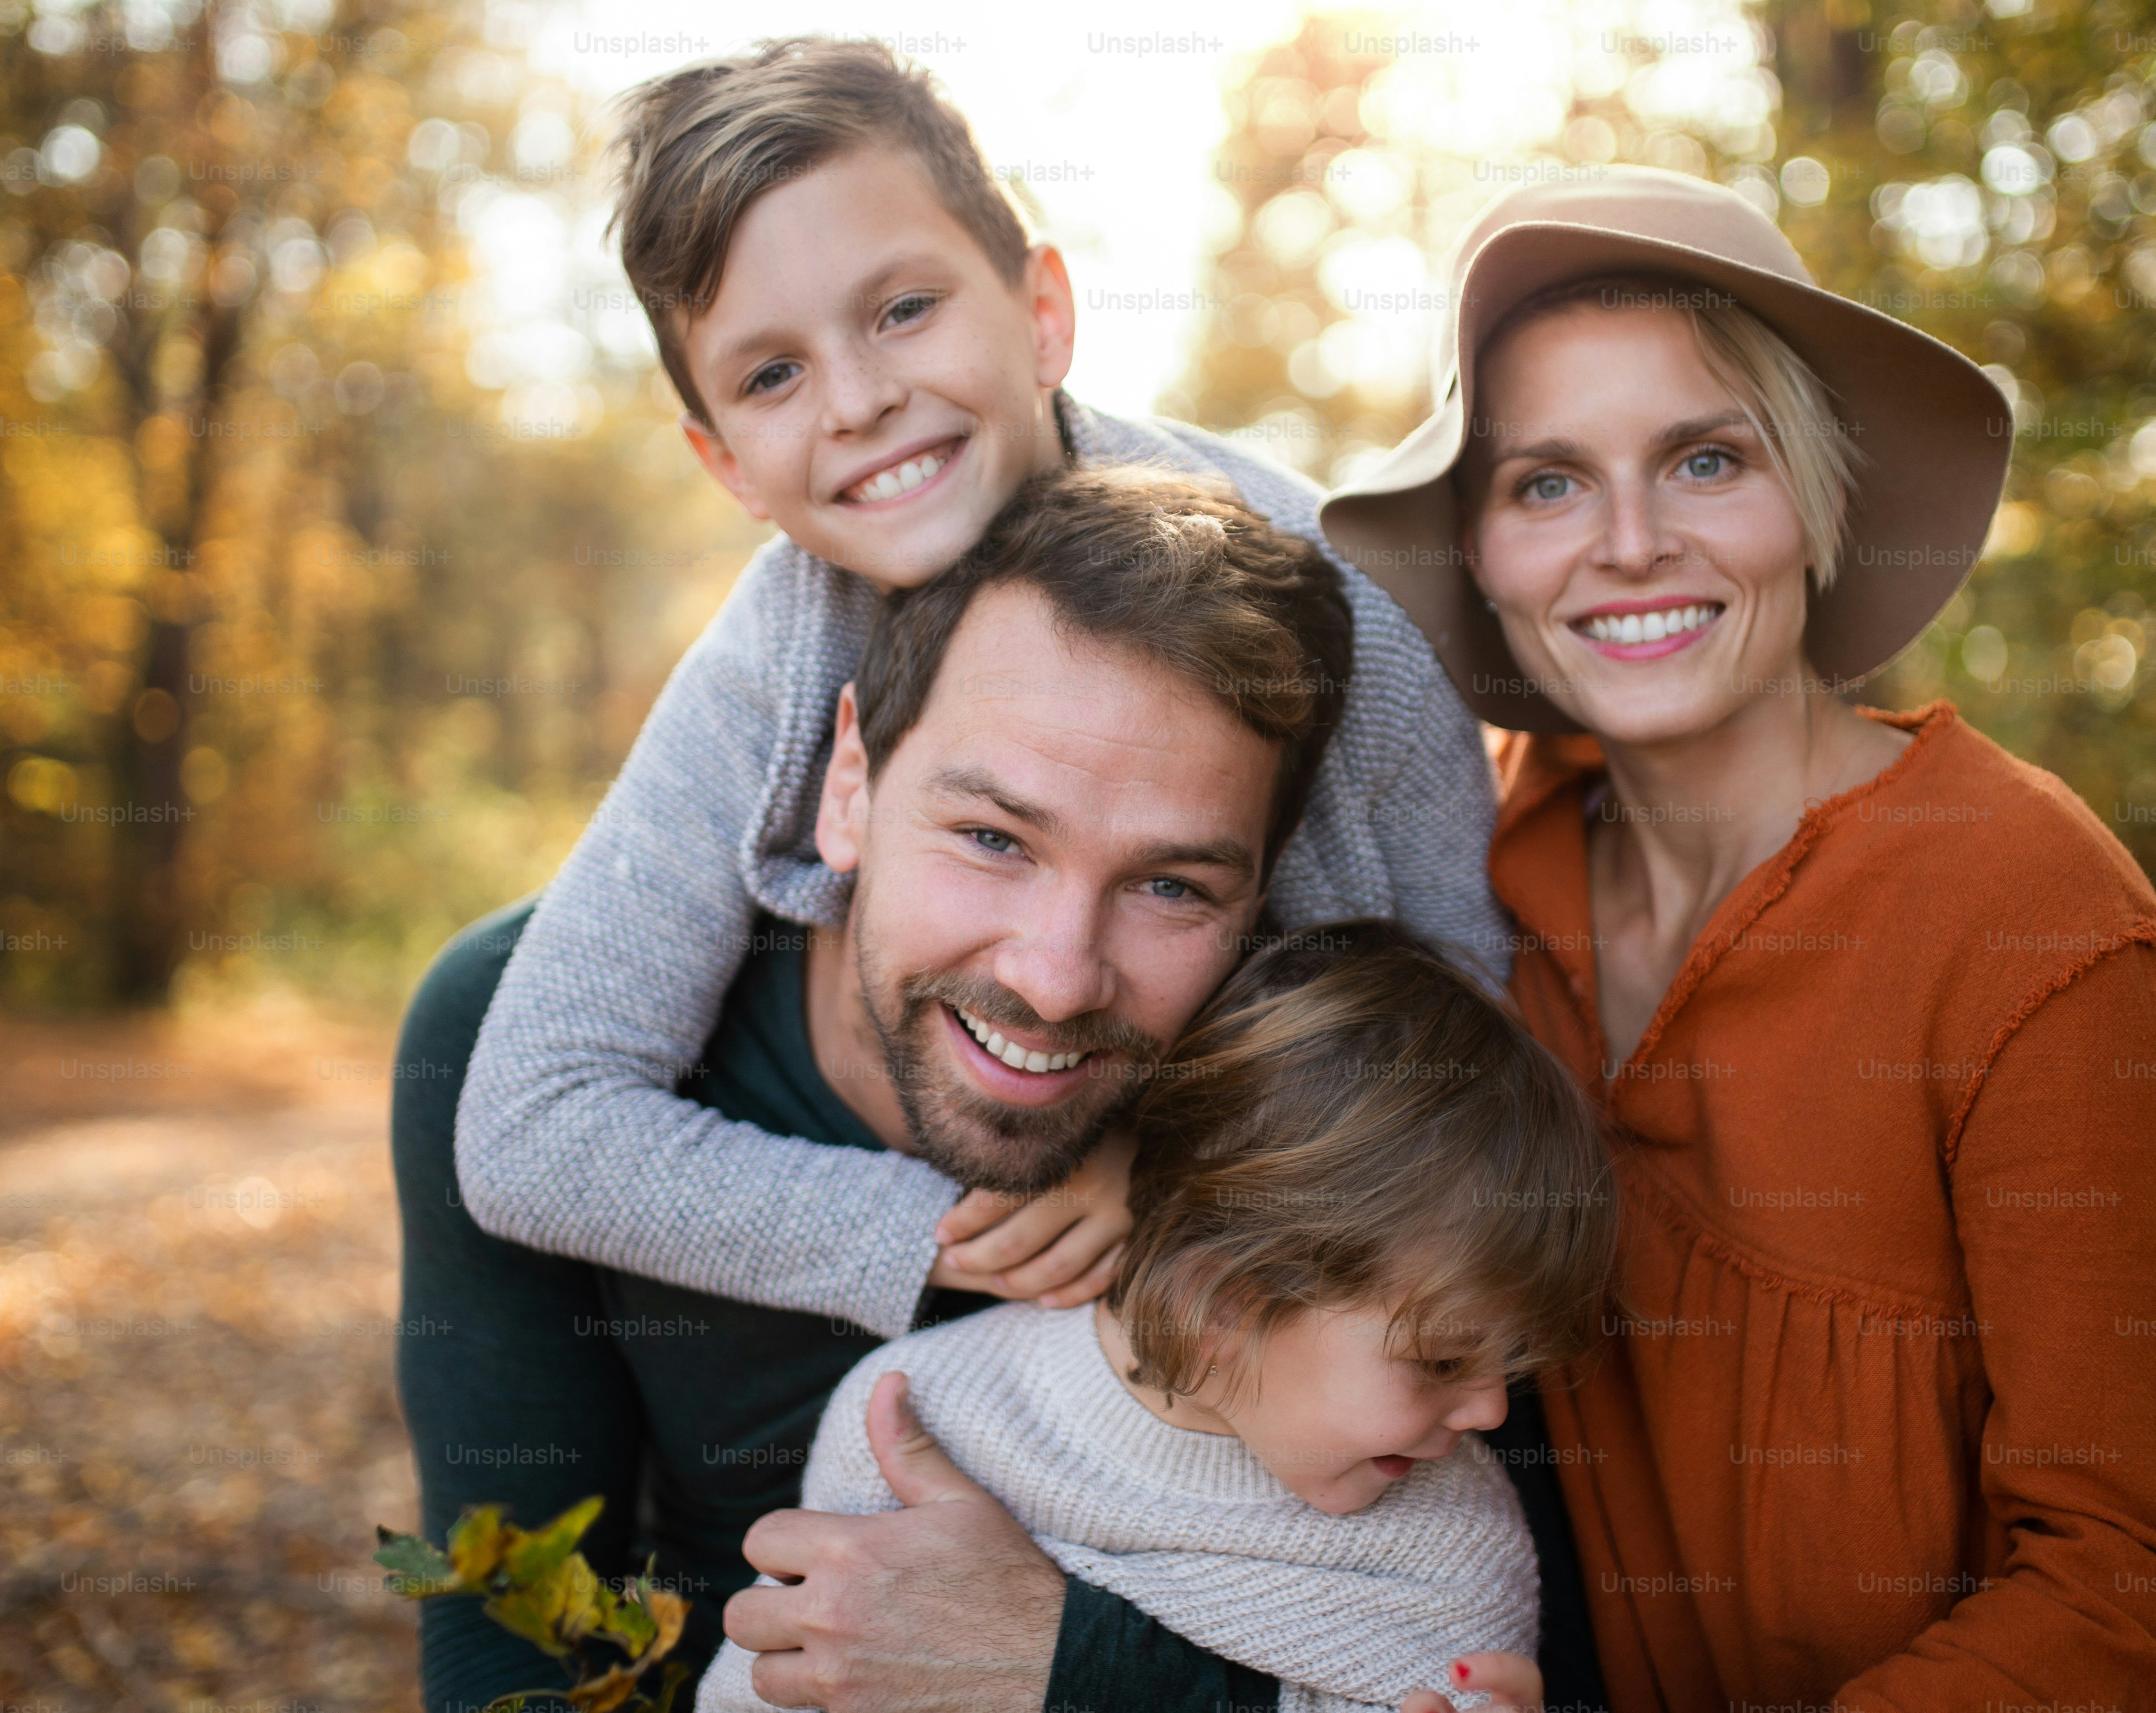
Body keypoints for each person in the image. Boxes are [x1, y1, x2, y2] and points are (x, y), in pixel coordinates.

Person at [393, 468, 1605, 1711]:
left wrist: (1075, 1667)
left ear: (1261, 901)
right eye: (992, 840)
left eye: (1172, 887)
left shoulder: (1322, 1146)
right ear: (851, 782)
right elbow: (511, 1646)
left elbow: (1527, 1659)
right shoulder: (524, 1037)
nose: (1058, 977)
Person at [1319, 168, 2156, 1710]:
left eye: (1702, 459)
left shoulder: (2038, 928)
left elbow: (2131, 1590)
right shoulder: (1485, 861)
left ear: (1815, 504)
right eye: (1545, 482)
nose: (1627, 543)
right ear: (1480, 552)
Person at [447, 33, 1506, 1347]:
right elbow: (531, 1122)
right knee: (467, 985)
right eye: (772, 374)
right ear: (725, 465)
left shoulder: (1341, 612)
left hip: (1289, 1289)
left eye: (902, 310)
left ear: (1042, 312)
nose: (861, 400)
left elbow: (1466, 1037)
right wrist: (939, 1233)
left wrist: (1173, 1172)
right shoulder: (773, 658)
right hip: (950, 1233)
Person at [699, 920, 1618, 1713]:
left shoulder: (1453, 1542)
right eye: (1442, 1361)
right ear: (1220, 1302)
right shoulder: (927, 1417)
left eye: (1512, 1363)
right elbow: (791, 1674)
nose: (1492, 1414)